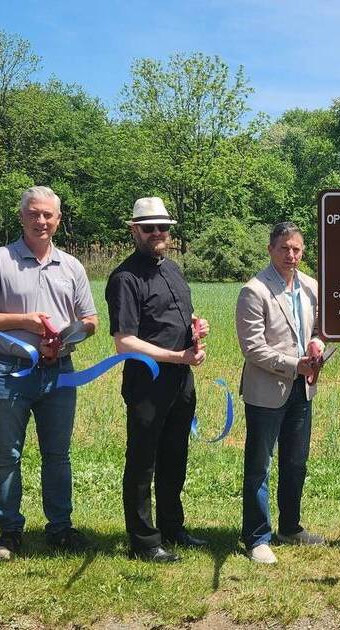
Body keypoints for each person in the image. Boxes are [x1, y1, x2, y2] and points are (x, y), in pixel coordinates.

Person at [0, 186, 99, 561]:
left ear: (58, 220)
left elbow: (90, 321)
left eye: (48, 215)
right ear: (22, 217)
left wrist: (65, 338)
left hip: (59, 371)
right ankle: (9, 532)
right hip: (9, 371)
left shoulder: (72, 267)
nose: (41, 221)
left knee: (58, 454)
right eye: (34, 214)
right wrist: (24, 321)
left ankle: (60, 529)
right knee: (6, 454)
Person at [106, 197, 210, 562]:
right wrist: (178, 356)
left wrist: (196, 329)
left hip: (181, 380)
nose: (157, 233)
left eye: (162, 227)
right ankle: (144, 541)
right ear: (134, 230)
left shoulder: (173, 269)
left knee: (174, 457)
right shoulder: (125, 279)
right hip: (147, 383)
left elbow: (177, 317)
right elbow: (125, 342)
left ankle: (172, 527)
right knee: (142, 461)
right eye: (148, 227)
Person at [235, 222, 327, 564]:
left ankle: (290, 527)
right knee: (260, 466)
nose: (291, 255)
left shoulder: (312, 286)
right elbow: (253, 348)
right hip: (266, 392)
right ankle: (257, 537)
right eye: (284, 248)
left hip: (303, 389)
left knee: (296, 462)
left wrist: (317, 342)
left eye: (296, 249)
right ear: (270, 250)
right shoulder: (254, 290)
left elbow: (321, 328)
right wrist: (294, 365)